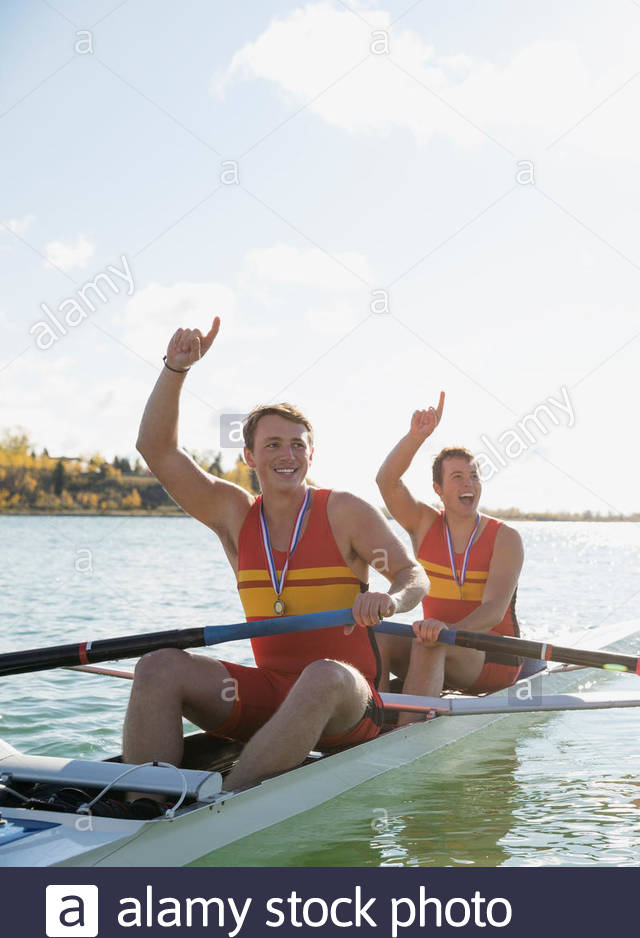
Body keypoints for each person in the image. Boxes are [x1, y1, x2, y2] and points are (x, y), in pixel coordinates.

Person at [124, 317, 429, 791]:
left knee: (323, 675)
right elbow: (156, 449)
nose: (287, 455)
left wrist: (392, 599)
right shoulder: (233, 514)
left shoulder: (344, 510)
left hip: (350, 702)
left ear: (311, 454)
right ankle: (143, 802)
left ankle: (222, 807)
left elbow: (413, 575)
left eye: (297, 445)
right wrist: (175, 370)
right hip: (271, 697)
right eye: (272, 445)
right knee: (156, 666)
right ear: (249, 456)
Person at [374, 395, 525, 725]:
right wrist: (416, 438)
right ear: (438, 489)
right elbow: (386, 481)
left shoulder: (505, 538)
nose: (468, 482)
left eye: (473, 475)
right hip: (438, 642)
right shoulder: (424, 523)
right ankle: (369, 728)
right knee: (378, 635)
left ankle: (405, 741)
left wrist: (446, 632)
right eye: (457, 477)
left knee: (430, 644)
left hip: (493, 657)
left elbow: (493, 611)